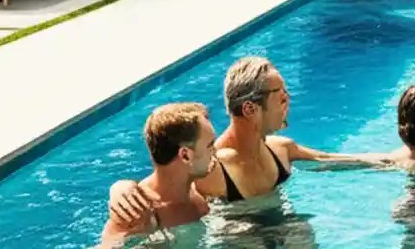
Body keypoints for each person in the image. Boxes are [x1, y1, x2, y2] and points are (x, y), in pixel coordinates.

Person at [108, 57, 355, 225]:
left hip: (281, 234)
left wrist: (393, 157)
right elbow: (167, 181)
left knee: (300, 230)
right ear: (250, 109)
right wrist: (123, 188)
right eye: (280, 96)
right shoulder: (214, 165)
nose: (288, 101)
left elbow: (334, 159)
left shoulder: (281, 149)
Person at [98, 102, 217, 249]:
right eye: (210, 146)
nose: (215, 152)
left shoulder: (197, 193)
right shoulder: (137, 214)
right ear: (185, 155)